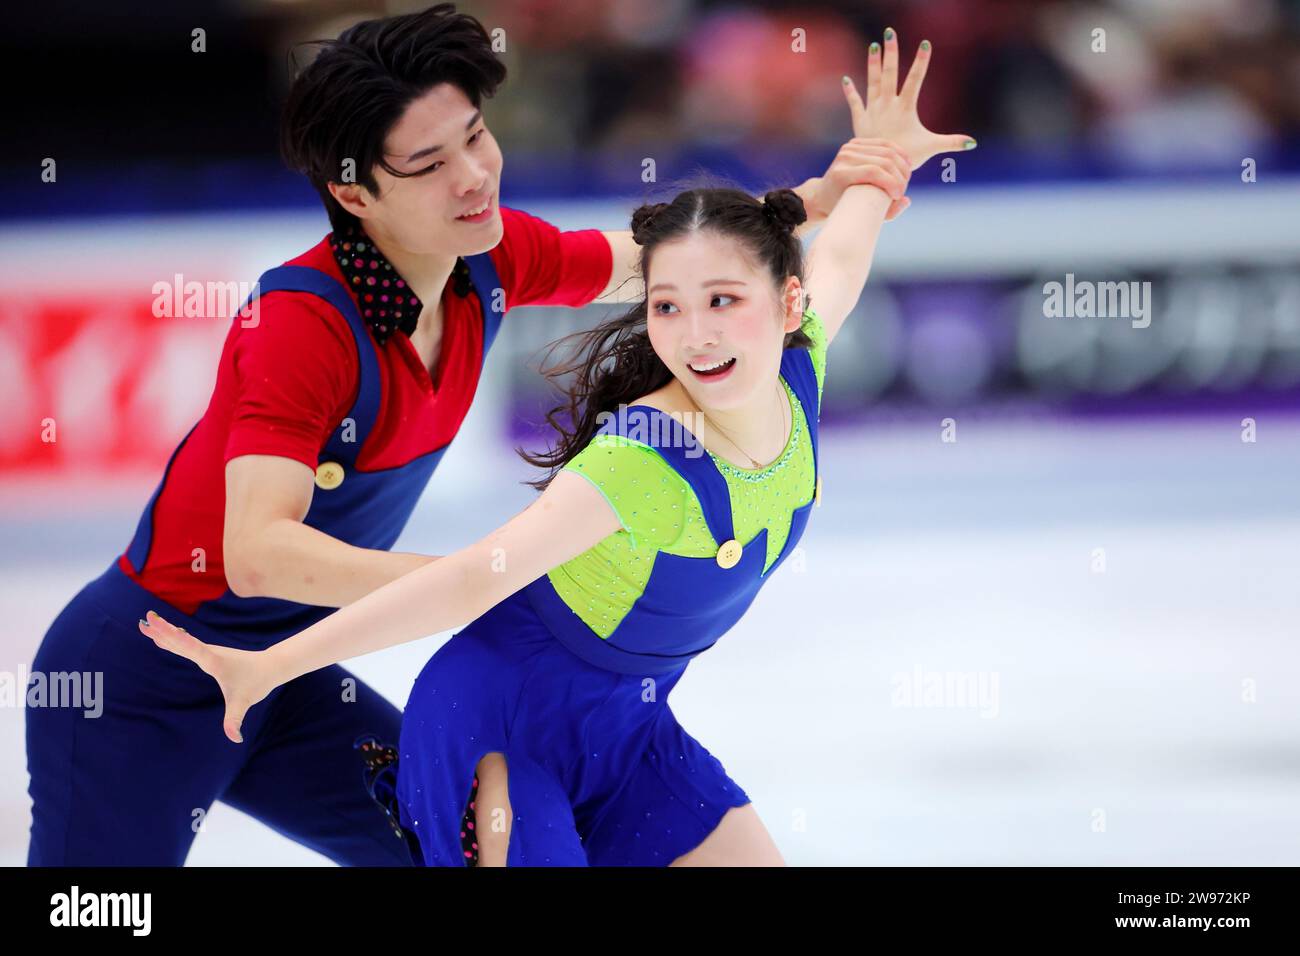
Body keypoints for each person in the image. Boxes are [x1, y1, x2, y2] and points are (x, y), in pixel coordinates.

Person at [24, 5, 934, 867]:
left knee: (454, 848)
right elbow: (257, 556)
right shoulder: (302, 324)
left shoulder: (486, 262)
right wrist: (490, 581)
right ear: (354, 192)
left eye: (474, 136)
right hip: (147, 675)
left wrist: (815, 199)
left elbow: (670, 260)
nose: (473, 175)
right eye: (428, 163)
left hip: (292, 674)